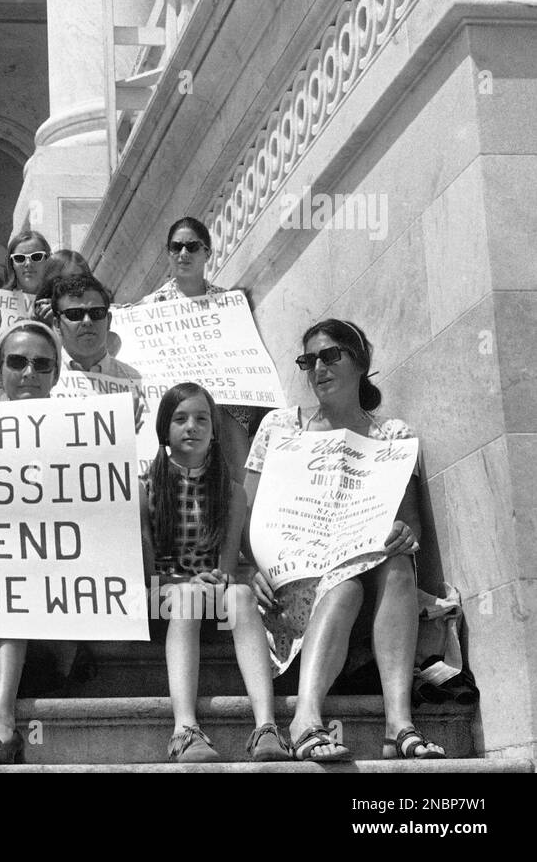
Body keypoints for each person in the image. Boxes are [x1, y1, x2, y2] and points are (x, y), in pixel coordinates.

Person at [244, 319, 442, 761]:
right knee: (346, 584)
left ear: (360, 362)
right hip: (294, 581)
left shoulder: (392, 436)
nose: (318, 367)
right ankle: (305, 717)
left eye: (330, 355)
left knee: (395, 563)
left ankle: (400, 724)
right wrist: (250, 567)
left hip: (366, 581)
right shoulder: (280, 428)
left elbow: (412, 524)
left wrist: (404, 533)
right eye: (308, 360)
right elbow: (249, 514)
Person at [139, 383, 289, 762]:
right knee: (189, 596)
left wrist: (224, 578)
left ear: (214, 429)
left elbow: (227, 565)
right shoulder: (145, 489)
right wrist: (184, 584)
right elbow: (146, 570)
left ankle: (266, 726)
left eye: (202, 418)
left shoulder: (232, 492)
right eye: (180, 419)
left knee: (240, 594)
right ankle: (185, 729)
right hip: (162, 595)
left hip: (210, 593)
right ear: (164, 429)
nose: (192, 426)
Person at [0, 320, 62, 764]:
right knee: (13, 576)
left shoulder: (85, 433)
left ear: (56, 376)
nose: (30, 372)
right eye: (18, 361)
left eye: (42, 364)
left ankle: (0, 717)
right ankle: (1, 716)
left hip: (64, 597)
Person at [135, 217, 251, 476]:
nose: (183, 254)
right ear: (168, 253)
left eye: (192, 246)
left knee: (235, 480)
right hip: (176, 409)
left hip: (223, 407)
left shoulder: (230, 303)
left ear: (207, 252)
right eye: (176, 247)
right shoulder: (149, 307)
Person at [2, 230, 52, 300]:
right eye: (19, 258)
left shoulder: (64, 301)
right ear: (11, 264)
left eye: (36, 256)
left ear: (48, 259)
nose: (28, 263)